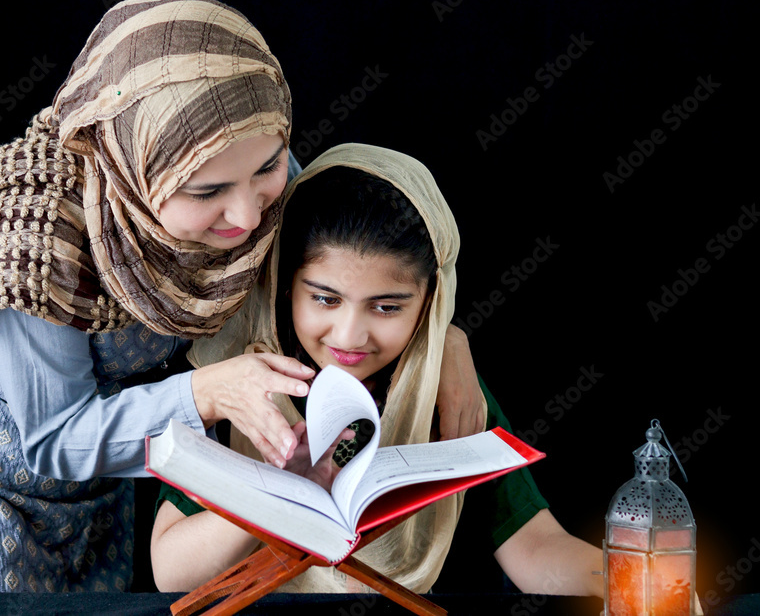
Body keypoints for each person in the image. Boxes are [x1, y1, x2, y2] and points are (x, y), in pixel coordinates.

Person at [0, 0, 484, 593]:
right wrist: (206, 393)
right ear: (134, 171)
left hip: (99, 473)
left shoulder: (245, 163)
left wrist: (442, 333)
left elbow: (345, 260)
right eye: (205, 193)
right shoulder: (33, 240)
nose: (250, 216)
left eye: (268, 167)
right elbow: (56, 436)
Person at [151, 143, 604, 596]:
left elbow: (535, 548)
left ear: (431, 300)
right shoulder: (239, 385)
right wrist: (280, 492)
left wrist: (640, 577)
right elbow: (173, 573)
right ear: (287, 283)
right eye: (325, 299)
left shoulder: (444, 391)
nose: (349, 337)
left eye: (386, 307)